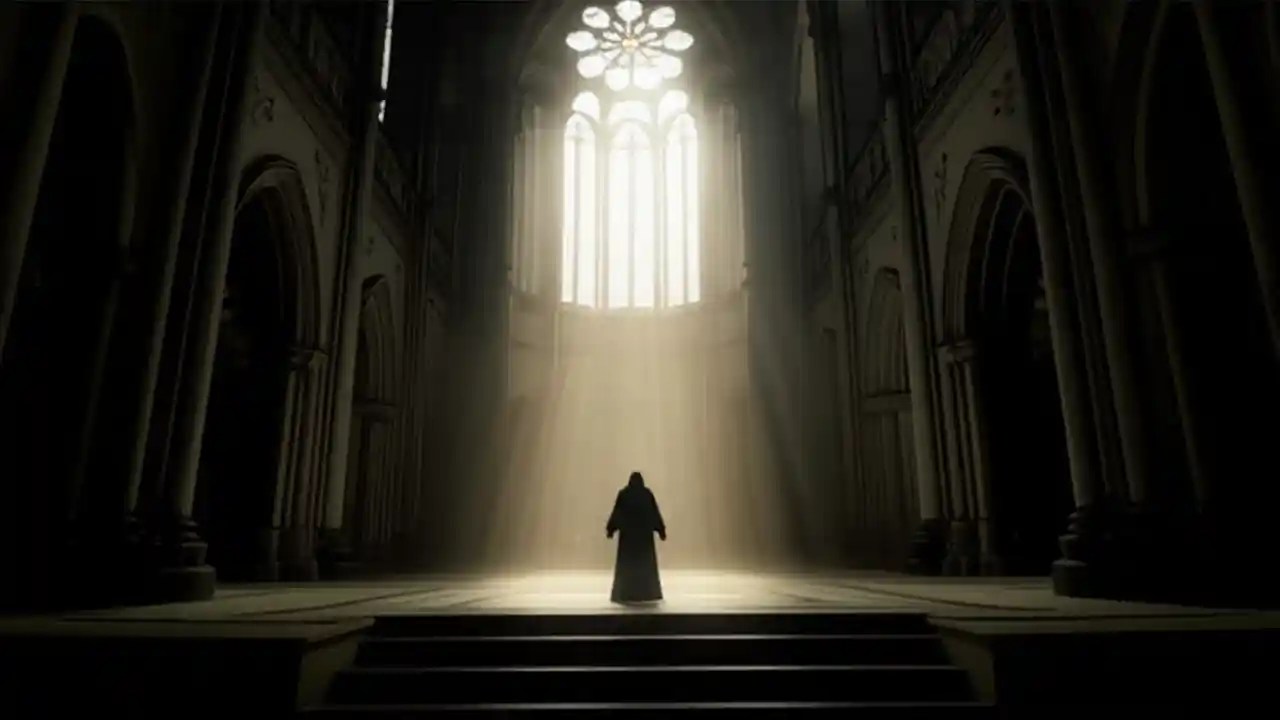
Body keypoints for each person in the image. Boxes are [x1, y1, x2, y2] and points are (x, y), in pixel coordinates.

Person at [605, 471, 666, 604]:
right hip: (644, 539)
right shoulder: (646, 495)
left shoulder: (624, 495)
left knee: (627, 565)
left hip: (628, 539)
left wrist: (611, 529)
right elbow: (654, 513)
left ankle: (625, 593)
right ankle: (648, 593)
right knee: (645, 564)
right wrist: (661, 530)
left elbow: (617, 513)